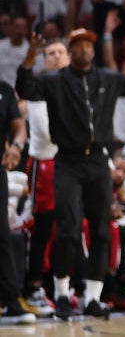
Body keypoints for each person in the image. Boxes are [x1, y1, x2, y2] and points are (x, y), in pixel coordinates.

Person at [15, 29, 125, 319]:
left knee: (102, 230)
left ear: (93, 50)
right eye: (77, 45)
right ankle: (62, 292)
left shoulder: (107, 78)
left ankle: (93, 297)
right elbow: (26, 88)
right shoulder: (54, 81)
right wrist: (29, 60)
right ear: (71, 51)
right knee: (68, 229)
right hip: (67, 161)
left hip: (98, 163)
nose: (84, 50)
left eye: (88, 45)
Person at [22, 38, 69, 315]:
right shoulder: (40, 87)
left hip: (71, 161)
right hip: (46, 162)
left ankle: (63, 287)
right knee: (43, 228)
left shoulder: (76, 83)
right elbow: (44, 129)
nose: (55, 57)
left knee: (70, 228)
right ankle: (35, 286)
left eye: (60, 52)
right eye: (50, 53)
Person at [0, 79, 35, 324]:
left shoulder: (3, 89)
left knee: (2, 235)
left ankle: (12, 300)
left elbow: (18, 126)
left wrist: (17, 145)